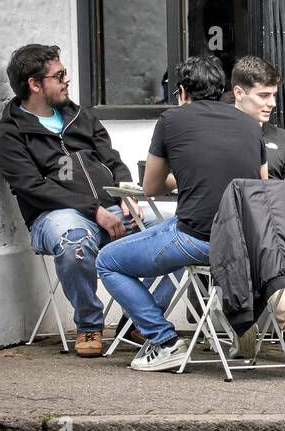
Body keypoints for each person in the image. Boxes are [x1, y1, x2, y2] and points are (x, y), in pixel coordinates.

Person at [96, 55, 267, 372]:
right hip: (245, 243)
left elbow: (151, 187)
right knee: (171, 232)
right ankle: (224, 327)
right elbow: (262, 187)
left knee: (107, 261)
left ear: (183, 92)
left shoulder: (171, 120)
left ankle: (163, 341)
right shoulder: (249, 124)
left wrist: (181, 177)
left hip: (199, 239)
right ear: (222, 89)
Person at [0, 44, 139, 358]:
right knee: (75, 240)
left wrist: (127, 194)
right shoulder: (12, 133)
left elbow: (113, 161)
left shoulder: (81, 116)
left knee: (174, 232)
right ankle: (89, 324)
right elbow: (33, 187)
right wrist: (94, 210)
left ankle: (139, 321)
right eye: (59, 76)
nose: (66, 81)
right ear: (35, 84)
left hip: (110, 208)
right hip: (54, 216)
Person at [230, 55, 285, 356]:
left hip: (278, 223)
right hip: (236, 227)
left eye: (274, 95)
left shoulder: (283, 139)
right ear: (239, 93)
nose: (272, 104)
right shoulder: (219, 134)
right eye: (264, 95)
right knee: (272, 250)